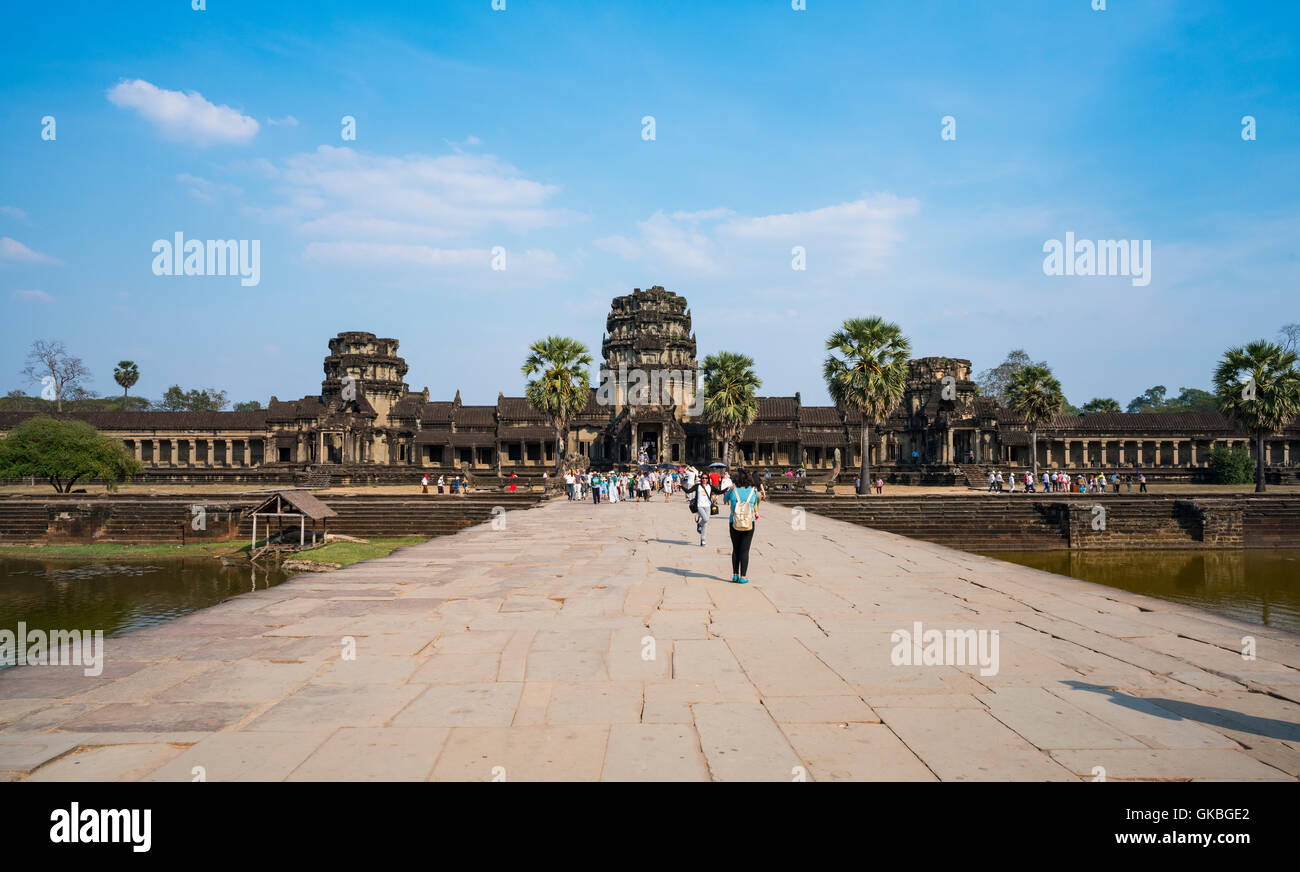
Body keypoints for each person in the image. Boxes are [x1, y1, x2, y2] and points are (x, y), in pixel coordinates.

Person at [717, 469, 760, 583]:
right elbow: (755, 502)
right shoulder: (753, 491)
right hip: (748, 522)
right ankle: (743, 577)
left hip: (734, 521)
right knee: (745, 550)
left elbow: (725, 500)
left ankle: (735, 574)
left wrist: (731, 490)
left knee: (736, 549)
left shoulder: (733, 490)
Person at [684, 469, 712, 547]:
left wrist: (728, 489)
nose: (704, 479)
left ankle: (703, 540)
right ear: (701, 478)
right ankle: (699, 524)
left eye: (706, 478)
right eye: (703, 478)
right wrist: (681, 486)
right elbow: (689, 491)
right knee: (705, 519)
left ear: (708, 479)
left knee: (705, 524)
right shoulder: (698, 486)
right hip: (699, 506)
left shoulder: (710, 486)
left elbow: (718, 491)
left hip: (708, 506)